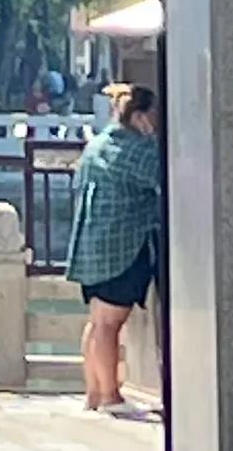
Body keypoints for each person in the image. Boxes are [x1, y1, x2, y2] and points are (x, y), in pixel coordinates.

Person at [65, 79, 162, 413]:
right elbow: (166, 180)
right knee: (109, 323)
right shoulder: (137, 149)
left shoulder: (99, 144)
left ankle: (94, 393)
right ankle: (111, 396)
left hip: (90, 244)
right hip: (122, 243)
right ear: (140, 117)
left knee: (97, 321)